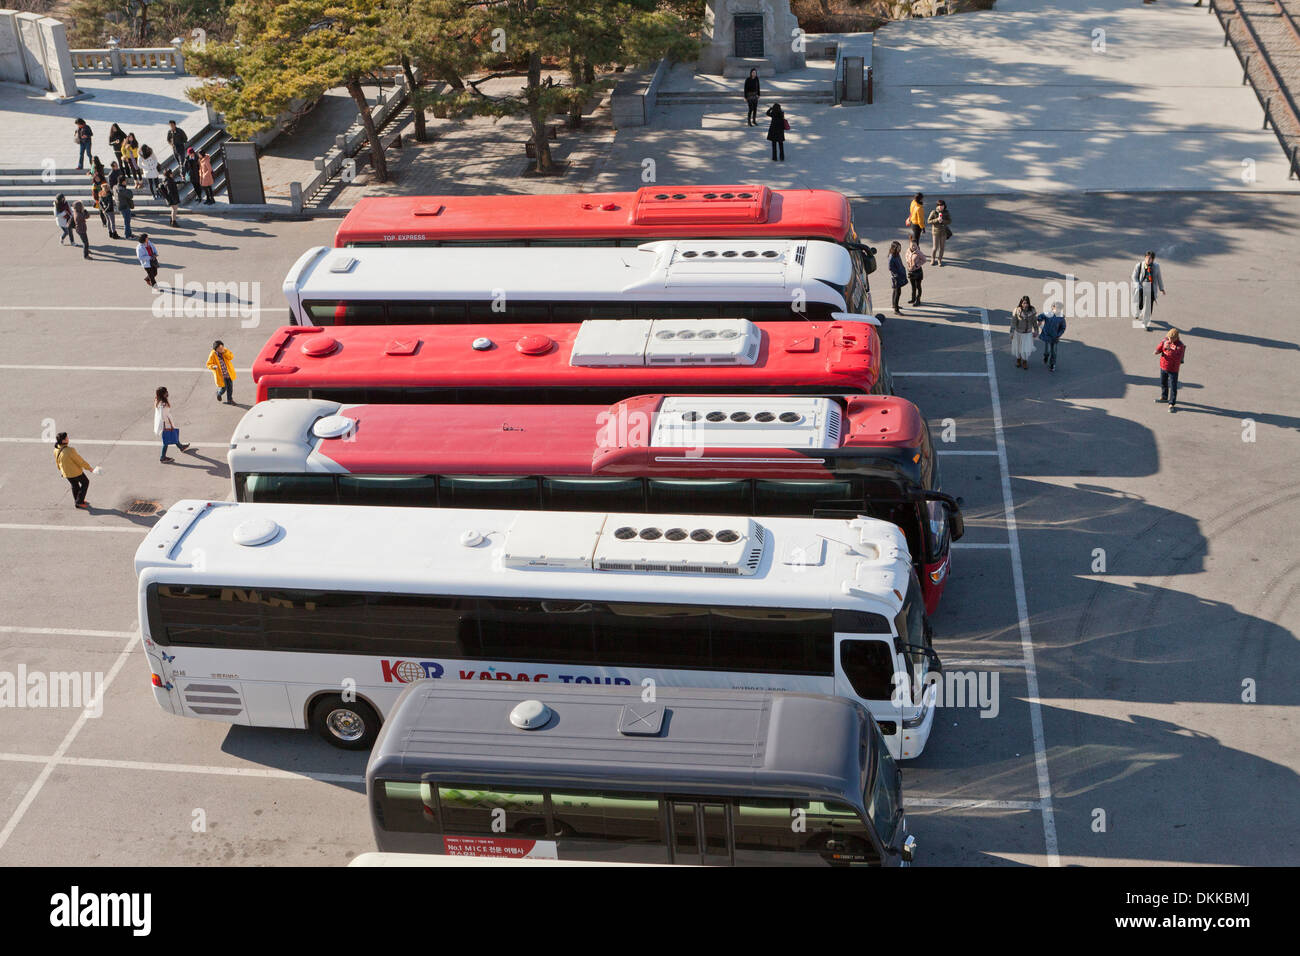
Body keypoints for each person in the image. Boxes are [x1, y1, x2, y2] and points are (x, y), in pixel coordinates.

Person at [54, 432, 95, 509]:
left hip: (66, 473)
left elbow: (57, 461)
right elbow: (80, 461)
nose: (68, 439)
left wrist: (61, 470)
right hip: (75, 473)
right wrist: (89, 468)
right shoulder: (70, 450)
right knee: (85, 482)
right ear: (63, 441)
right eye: (66, 438)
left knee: (75, 486)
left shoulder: (56, 449)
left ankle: (78, 501)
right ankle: (79, 501)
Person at [154, 387, 191, 462]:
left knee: (173, 435)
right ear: (163, 394)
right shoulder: (162, 404)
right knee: (166, 441)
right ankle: (163, 457)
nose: (167, 393)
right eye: (166, 392)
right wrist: (168, 423)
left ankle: (181, 447)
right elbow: (162, 416)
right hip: (166, 424)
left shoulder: (158, 400)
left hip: (167, 422)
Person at [1131, 250, 1166, 330]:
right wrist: (1138, 285)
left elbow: (1159, 277)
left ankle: (1145, 323)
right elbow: (1134, 277)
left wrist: (1161, 288)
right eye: (1146, 258)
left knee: (1148, 307)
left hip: (1151, 289)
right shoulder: (1139, 265)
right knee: (1140, 304)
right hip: (1141, 287)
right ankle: (1137, 313)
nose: (1147, 260)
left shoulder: (1156, 266)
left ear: (1153, 259)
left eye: (1149, 258)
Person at [1154, 328, 1187, 411]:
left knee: (1173, 386)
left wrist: (1168, 349)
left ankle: (1171, 403)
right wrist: (1157, 350)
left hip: (1173, 369)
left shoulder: (1180, 346)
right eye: (1169, 338)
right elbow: (1160, 347)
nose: (1170, 340)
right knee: (1163, 382)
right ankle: (1164, 396)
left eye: (1172, 338)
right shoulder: (1165, 340)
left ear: (1176, 338)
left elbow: (1177, 358)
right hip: (1163, 366)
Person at [1010, 296, 1039, 369]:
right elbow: (1013, 322)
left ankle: (1025, 361)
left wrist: (1036, 331)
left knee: (1026, 349)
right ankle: (1018, 360)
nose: (1025, 305)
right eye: (1024, 303)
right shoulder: (1017, 311)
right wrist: (1012, 332)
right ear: (1021, 303)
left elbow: (1034, 322)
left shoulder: (1032, 310)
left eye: (1027, 303)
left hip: (1027, 334)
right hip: (1018, 333)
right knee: (1018, 348)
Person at [1038, 300, 1066, 372]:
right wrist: (1039, 320)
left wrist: (1058, 335)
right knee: (1047, 350)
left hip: (1055, 337)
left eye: (1060, 308)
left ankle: (1052, 364)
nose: (1058, 310)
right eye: (1057, 308)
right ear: (1053, 308)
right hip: (1047, 335)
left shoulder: (1061, 318)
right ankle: (1046, 356)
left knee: (1054, 352)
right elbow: (1040, 316)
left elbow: (1063, 328)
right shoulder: (1048, 314)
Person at [926, 199, 951, 266]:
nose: (940, 207)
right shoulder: (934, 212)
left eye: (942, 205)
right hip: (935, 232)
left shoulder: (946, 212)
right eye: (939, 205)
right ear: (937, 206)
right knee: (935, 248)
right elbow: (928, 221)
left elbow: (949, 221)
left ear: (944, 206)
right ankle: (933, 259)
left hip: (943, 232)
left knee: (942, 247)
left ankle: (939, 259)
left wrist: (943, 221)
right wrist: (937, 219)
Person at [887, 240, 908, 315]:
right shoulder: (892, 256)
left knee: (895, 291)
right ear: (894, 248)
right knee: (897, 292)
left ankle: (894, 305)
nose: (900, 249)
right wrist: (896, 273)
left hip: (899, 274)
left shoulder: (896, 254)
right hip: (896, 277)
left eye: (900, 247)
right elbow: (890, 267)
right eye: (898, 247)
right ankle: (896, 310)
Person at [904, 237, 925, 306]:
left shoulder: (919, 252)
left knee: (918, 286)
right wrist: (908, 264)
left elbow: (924, 260)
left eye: (915, 245)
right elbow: (906, 256)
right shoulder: (908, 251)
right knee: (913, 286)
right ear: (909, 245)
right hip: (911, 271)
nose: (913, 247)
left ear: (917, 246)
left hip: (918, 272)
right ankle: (913, 299)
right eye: (912, 245)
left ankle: (918, 300)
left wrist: (916, 265)